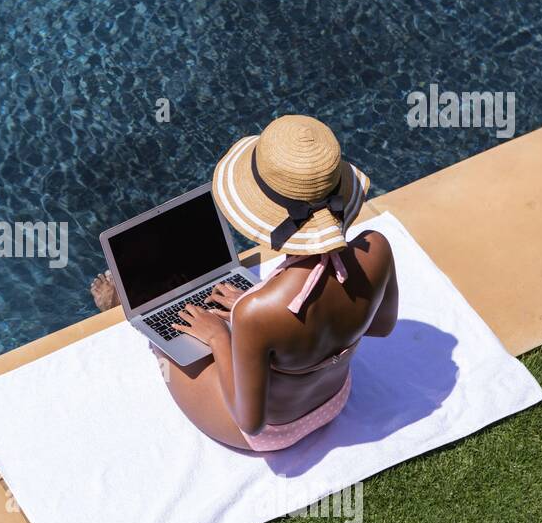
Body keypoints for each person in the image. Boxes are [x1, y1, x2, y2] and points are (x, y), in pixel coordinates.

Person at [93, 115, 398, 452]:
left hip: (268, 434)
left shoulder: (257, 312)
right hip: (334, 400)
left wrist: (221, 335)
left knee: (169, 347)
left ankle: (128, 302)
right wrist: (298, 334)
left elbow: (249, 420)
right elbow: (381, 326)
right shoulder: (378, 248)